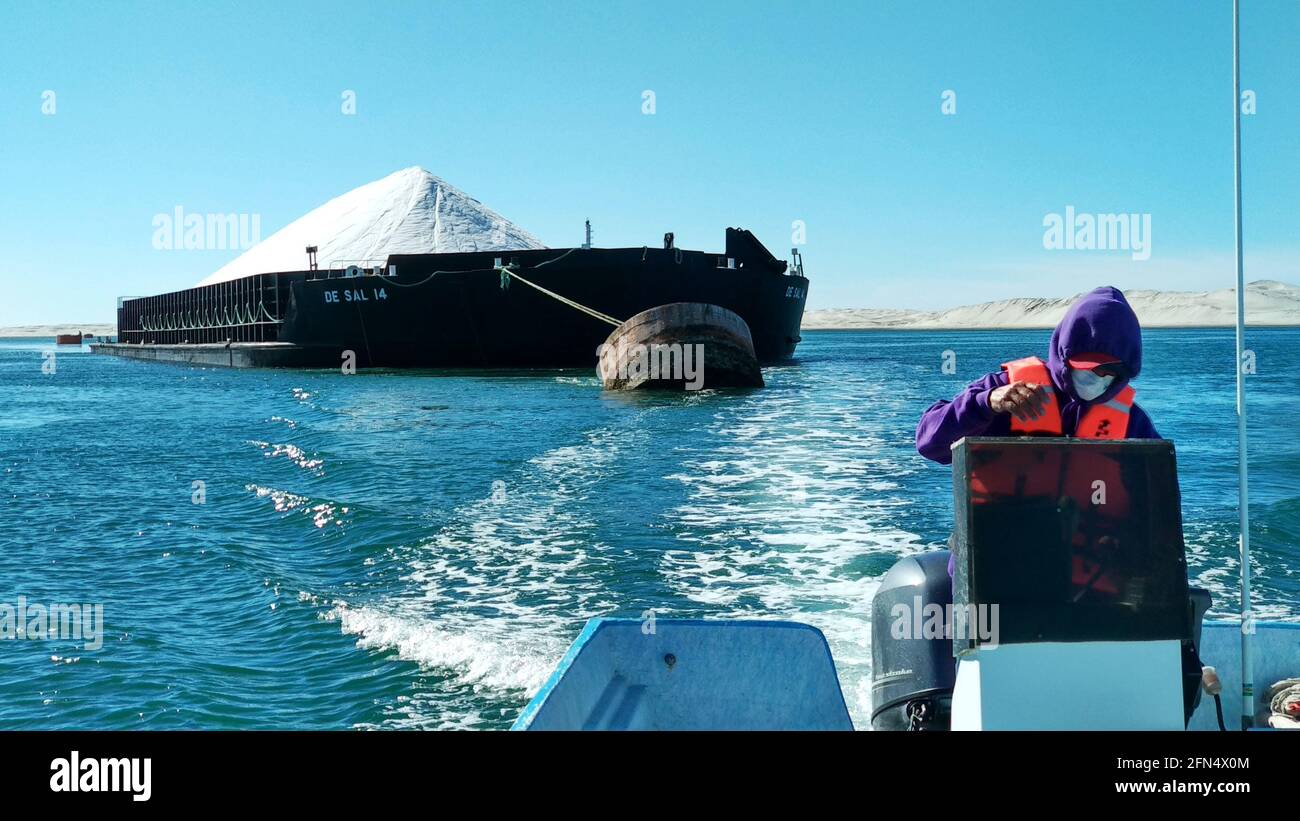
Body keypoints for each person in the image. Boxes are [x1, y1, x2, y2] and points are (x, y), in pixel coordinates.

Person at [916, 286, 1158, 463]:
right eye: (1087, 365)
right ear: (1064, 355)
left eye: (1111, 370)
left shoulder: (1132, 423)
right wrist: (984, 404)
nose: (1098, 375)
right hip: (997, 532)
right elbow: (929, 444)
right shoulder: (1006, 391)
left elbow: (1156, 495)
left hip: (1090, 534)